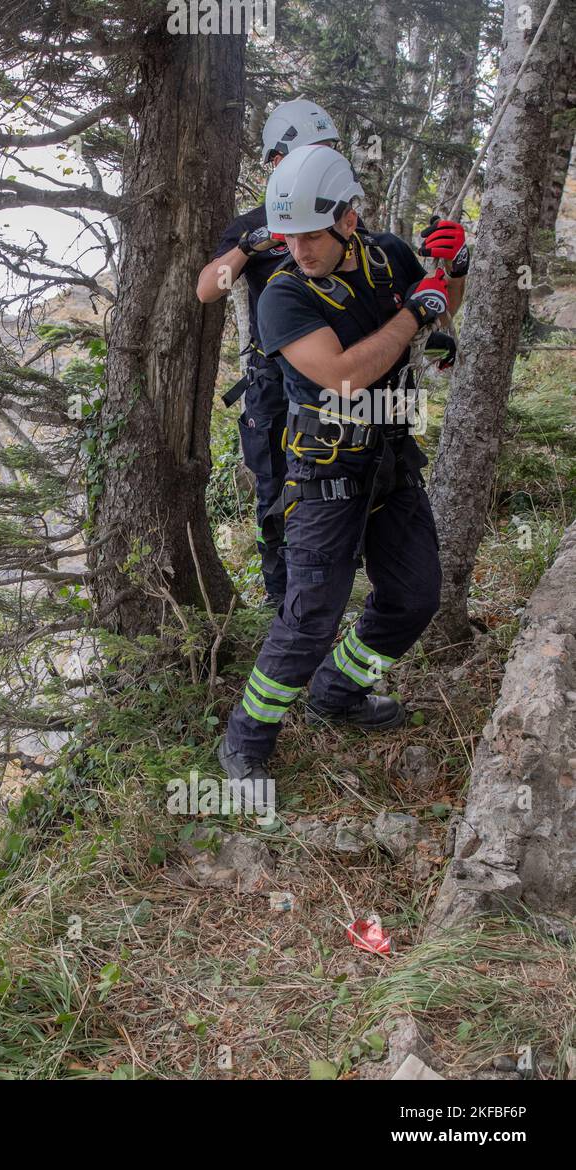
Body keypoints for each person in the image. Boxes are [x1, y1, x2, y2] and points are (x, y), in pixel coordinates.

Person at [216, 144, 470, 781]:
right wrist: (418, 314)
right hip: (324, 471)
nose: (297, 251)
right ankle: (246, 737)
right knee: (310, 617)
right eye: (286, 237)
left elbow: (443, 302)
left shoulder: (387, 256)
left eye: (308, 237)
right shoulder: (282, 296)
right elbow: (344, 377)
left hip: (390, 458)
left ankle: (338, 692)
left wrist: (454, 267)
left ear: (347, 221)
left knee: (415, 597)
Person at [197, 99, 345, 609]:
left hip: (335, 374)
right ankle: (280, 598)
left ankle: (328, 588)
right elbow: (208, 289)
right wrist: (248, 247)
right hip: (273, 380)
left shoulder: (339, 214)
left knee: (336, 478)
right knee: (274, 486)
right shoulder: (254, 223)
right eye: (312, 151)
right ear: (279, 160)